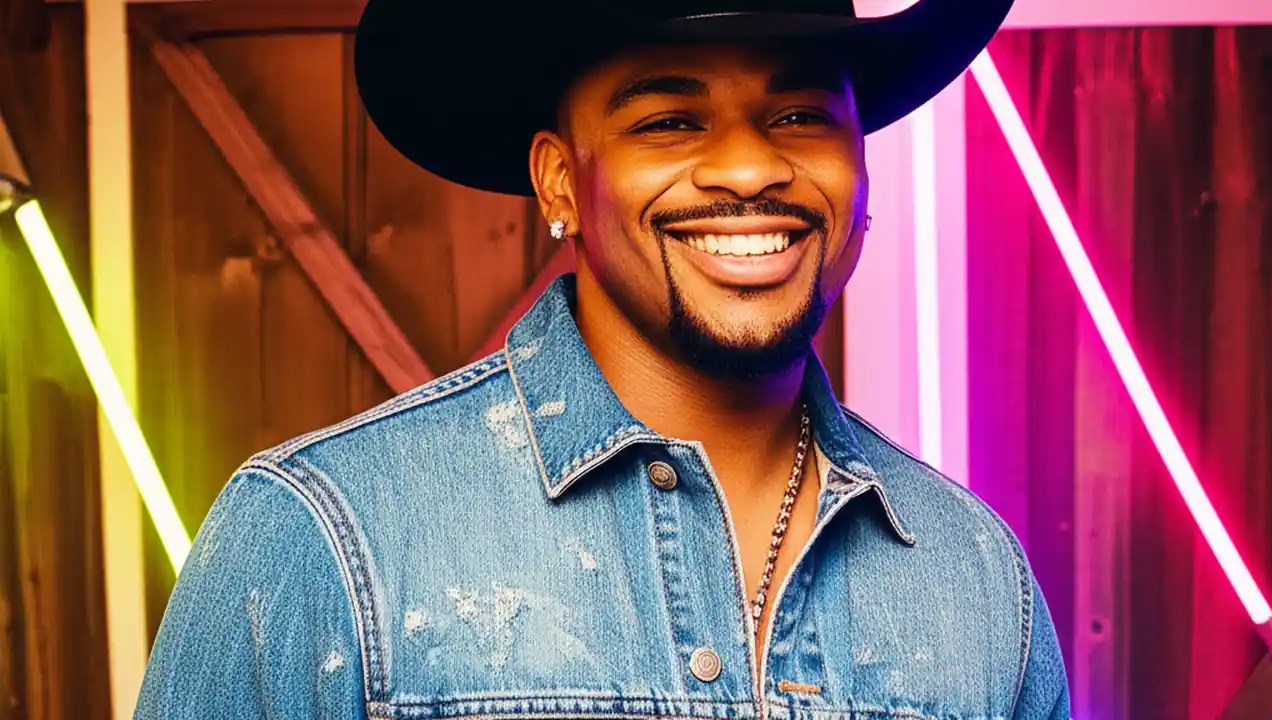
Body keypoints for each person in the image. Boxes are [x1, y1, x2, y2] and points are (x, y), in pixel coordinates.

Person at [135, 1, 1069, 718]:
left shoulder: (977, 580)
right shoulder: (323, 538)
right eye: (669, 120)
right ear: (559, 181)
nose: (749, 170)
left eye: (798, 115)